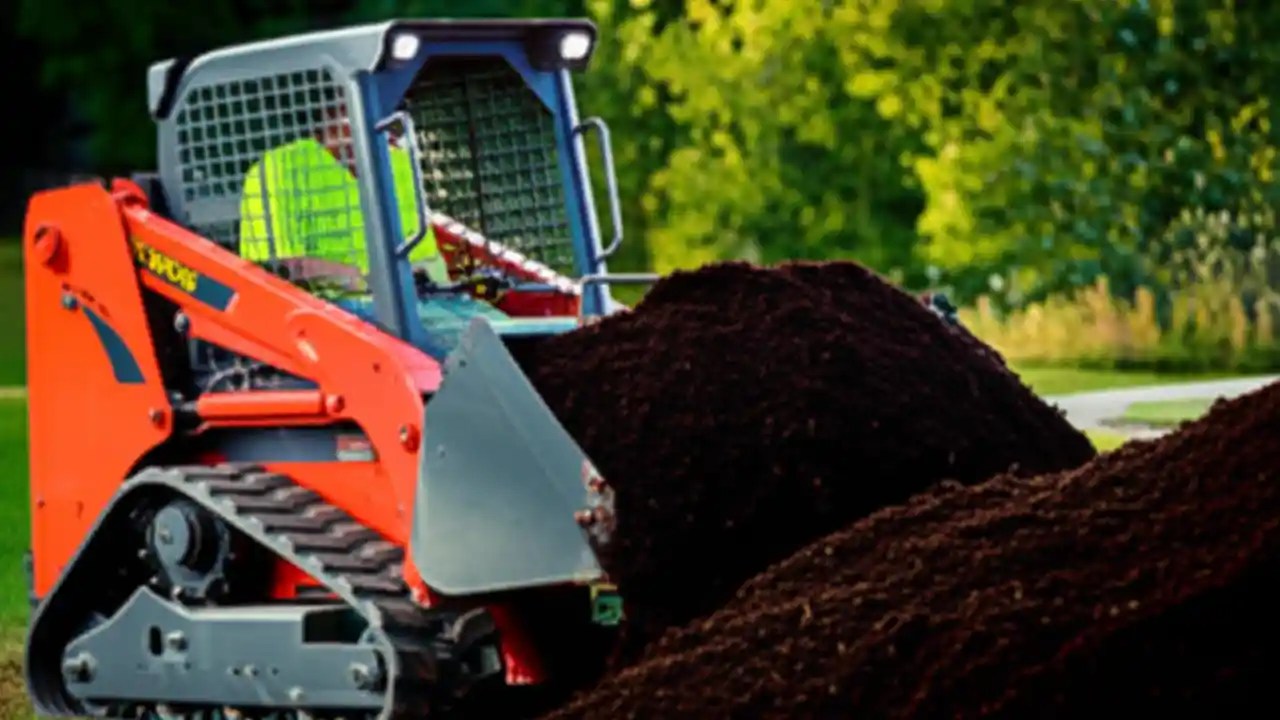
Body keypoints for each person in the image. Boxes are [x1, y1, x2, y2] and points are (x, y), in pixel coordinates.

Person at [236, 103, 452, 293]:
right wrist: (356, 279)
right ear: (331, 111)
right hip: (328, 317)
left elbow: (426, 258)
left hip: (414, 306)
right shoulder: (276, 170)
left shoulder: (398, 163)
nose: (387, 120)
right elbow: (273, 269)